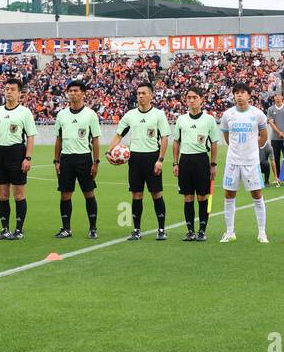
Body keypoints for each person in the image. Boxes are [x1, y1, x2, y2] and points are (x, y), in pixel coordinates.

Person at [107, 81, 171, 241]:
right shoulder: (130, 115)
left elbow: (164, 138)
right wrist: (109, 150)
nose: (140, 96)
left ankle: (161, 229)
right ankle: (136, 230)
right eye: (138, 93)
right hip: (134, 158)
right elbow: (119, 135)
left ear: (151, 95)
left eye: (143, 93)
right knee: (136, 194)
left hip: (152, 157)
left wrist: (160, 160)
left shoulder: (158, 114)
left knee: (156, 194)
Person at [0, 77, 37, 240]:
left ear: (19, 93)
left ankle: (19, 230)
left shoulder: (25, 112)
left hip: (17, 153)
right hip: (0, 153)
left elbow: (30, 136)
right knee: (3, 195)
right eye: (6, 89)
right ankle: (5, 229)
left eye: (12, 89)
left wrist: (27, 157)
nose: (9, 92)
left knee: (19, 195)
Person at [217, 82, 270, 243]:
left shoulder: (258, 114)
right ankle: (230, 231)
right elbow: (226, 138)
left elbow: (264, 136)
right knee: (229, 195)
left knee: (257, 195)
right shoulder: (227, 115)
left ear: (249, 95)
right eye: (236, 93)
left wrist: (253, 148)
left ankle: (262, 232)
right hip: (232, 161)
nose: (239, 95)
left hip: (251, 162)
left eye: (242, 92)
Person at [52, 79, 101, 239]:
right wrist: (56, 161)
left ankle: (93, 228)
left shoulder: (90, 114)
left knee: (89, 193)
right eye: (70, 91)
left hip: (84, 159)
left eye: (76, 91)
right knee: (65, 195)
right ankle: (66, 228)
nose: (72, 93)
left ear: (83, 93)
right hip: (66, 159)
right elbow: (58, 139)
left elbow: (95, 140)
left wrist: (96, 162)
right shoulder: (61, 114)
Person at [172, 85, 220, 241]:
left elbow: (214, 143)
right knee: (187, 197)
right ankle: (190, 231)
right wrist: (175, 163)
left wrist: (213, 165)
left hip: (201, 160)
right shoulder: (181, 119)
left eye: (194, 97)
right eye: (189, 98)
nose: (191, 100)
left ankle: (202, 231)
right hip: (185, 160)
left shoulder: (209, 120)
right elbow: (176, 142)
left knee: (202, 197)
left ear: (201, 100)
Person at [266, 92, 284, 187]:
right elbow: (271, 123)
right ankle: (278, 178)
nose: (277, 97)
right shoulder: (270, 109)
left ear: (282, 97)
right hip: (275, 138)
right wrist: (279, 132)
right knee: (275, 159)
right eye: (275, 96)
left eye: (279, 96)